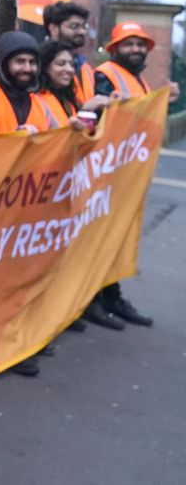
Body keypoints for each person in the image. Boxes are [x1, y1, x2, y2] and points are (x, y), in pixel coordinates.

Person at [84, 21, 178, 330]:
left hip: (125, 178)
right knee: (100, 239)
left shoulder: (139, 82)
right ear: (115, 49)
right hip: (106, 178)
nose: (136, 49)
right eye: (129, 44)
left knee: (118, 239)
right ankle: (93, 300)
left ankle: (111, 295)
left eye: (140, 44)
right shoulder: (106, 76)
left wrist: (164, 100)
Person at [0, 32, 58, 133]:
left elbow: (56, 139)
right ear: (4, 64)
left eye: (32, 62)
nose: (27, 68)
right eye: (20, 61)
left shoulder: (40, 104)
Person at [36, 39, 109, 132]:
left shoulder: (68, 100)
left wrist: (85, 111)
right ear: (45, 67)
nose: (69, 69)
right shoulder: (37, 100)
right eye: (61, 64)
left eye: (71, 64)